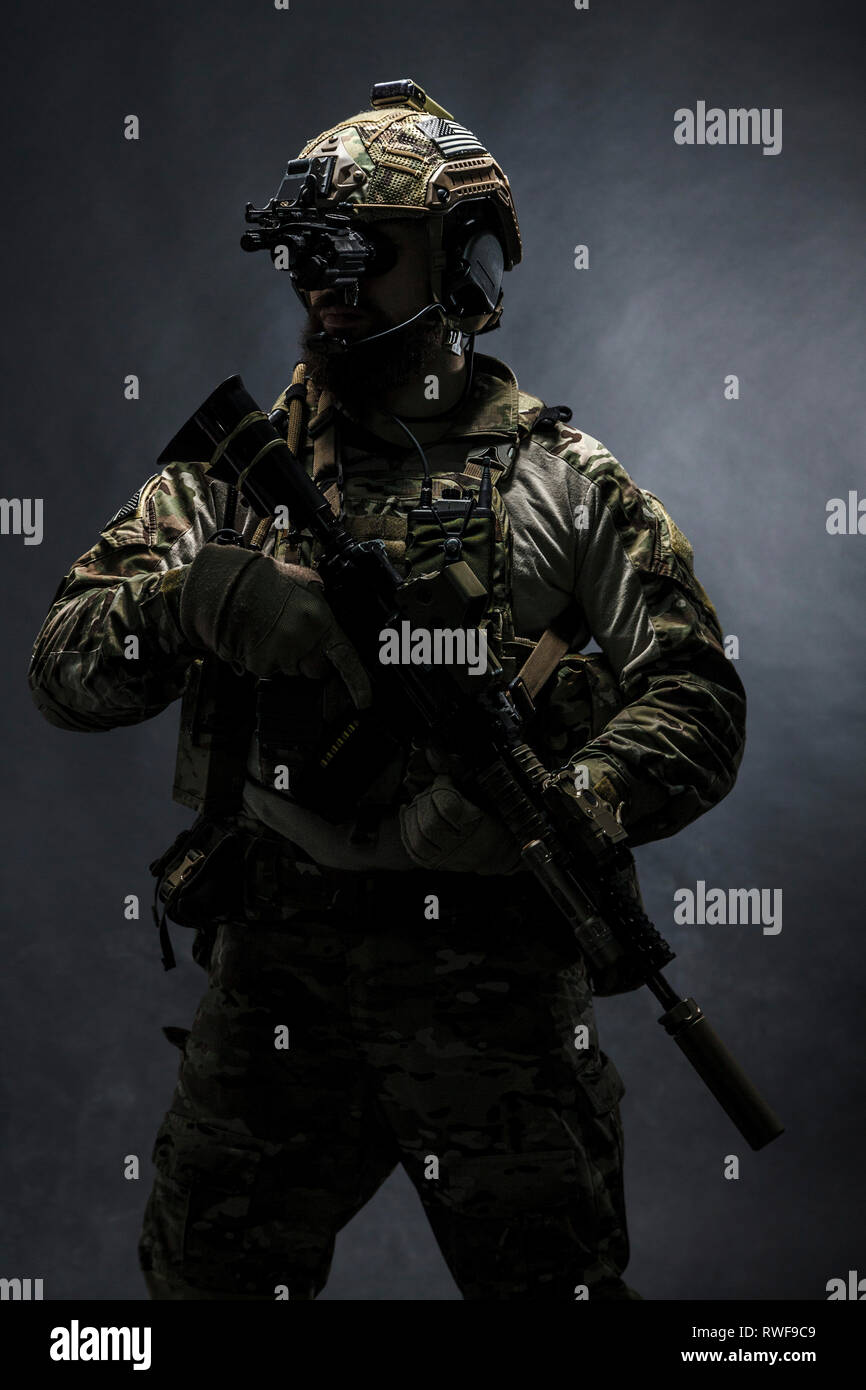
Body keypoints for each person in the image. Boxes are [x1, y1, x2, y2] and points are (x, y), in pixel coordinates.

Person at [28, 80, 746, 1300]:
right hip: (274, 979)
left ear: (458, 265)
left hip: (494, 996)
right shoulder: (226, 485)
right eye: (310, 254)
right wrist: (194, 599)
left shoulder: (564, 486)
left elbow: (695, 696)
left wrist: (573, 798)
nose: (329, 281)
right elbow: (65, 669)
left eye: (367, 251)